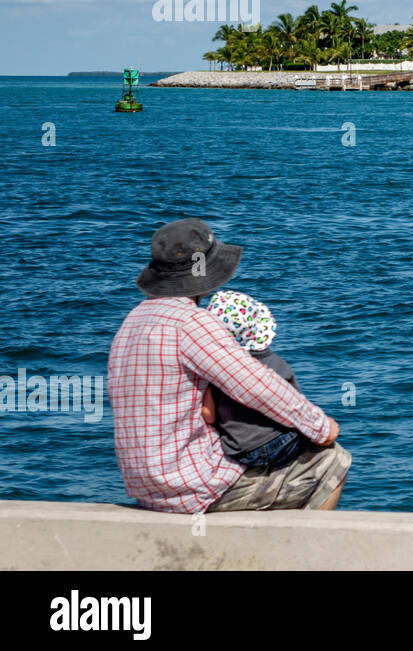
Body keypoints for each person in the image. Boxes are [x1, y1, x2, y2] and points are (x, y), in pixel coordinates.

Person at [108, 219, 348, 513]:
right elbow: (257, 386)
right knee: (333, 461)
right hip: (193, 485)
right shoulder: (192, 322)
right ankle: (304, 556)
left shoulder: (132, 320)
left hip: (145, 487)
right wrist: (322, 428)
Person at [201, 290, 306, 471]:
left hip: (240, 450)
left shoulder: (214, 371)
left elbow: (209, 417)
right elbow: (297, 405)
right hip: (280, 444)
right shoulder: (275, 364)